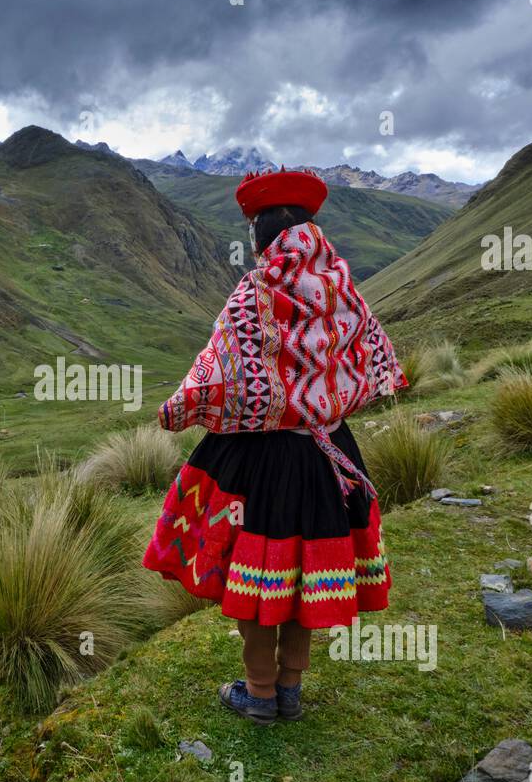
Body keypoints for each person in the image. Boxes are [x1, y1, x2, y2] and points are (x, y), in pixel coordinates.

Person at [142, 166, 407, 725]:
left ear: (262, 236)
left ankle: (258, 692)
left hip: (260, 461)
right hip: (329, 452)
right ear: (312, 229)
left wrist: (177, 410)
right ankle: (289, 690)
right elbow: (376, 362)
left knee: (259, 574)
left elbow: (219, 373)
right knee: (306, 574)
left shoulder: (256, 293)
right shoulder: (345, 294)